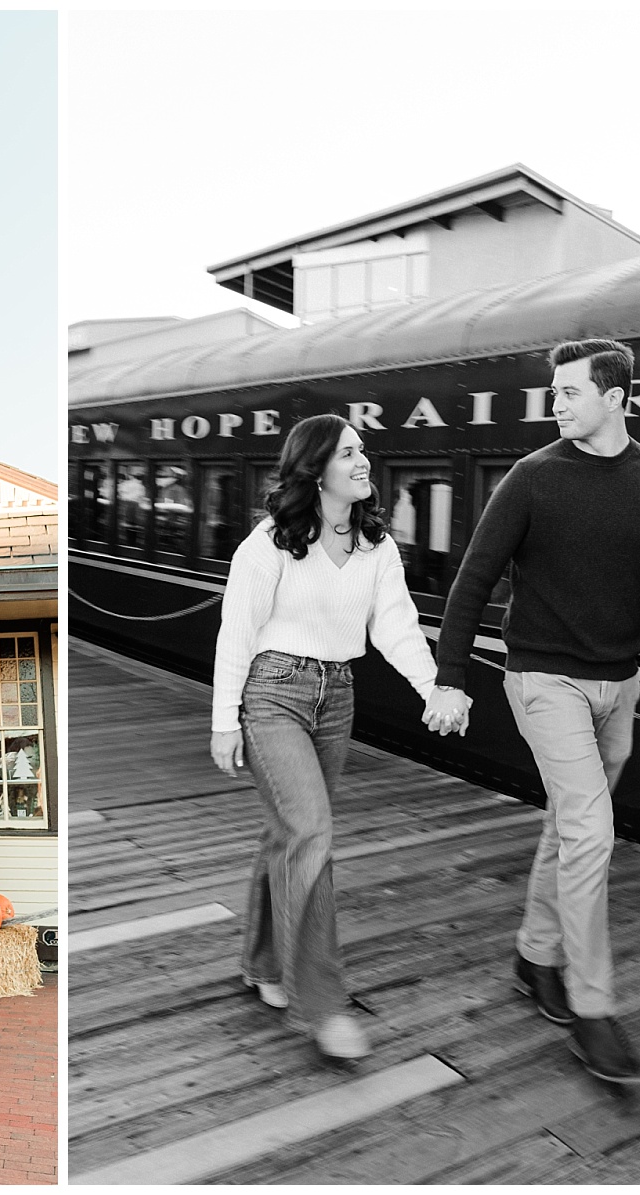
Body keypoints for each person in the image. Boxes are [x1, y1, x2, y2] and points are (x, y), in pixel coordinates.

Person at [425, 338, 640, 1085]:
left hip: (620, 685)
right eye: (553, 392)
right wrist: (449, 677)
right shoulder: (531, 478)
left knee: (569, 825)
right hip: (543, 680)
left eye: (568, 392)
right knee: (592, 828)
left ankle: (534, 953)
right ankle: (593, 1011)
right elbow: (473, 580)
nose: (555, 403)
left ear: (617, 396)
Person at [210, 413, 441, 1059]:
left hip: (336, 694)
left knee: (288, 831)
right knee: (311, 830)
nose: (364, 461)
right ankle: (322, 1000)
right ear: (316, 469)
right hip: (272, 693)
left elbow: (396, 626)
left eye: (363, 450)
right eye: (348, 453)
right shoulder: (268, 544)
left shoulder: (376, 546)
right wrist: (225, 718)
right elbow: (237, 632)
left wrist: (433, 687)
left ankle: (261, 964)